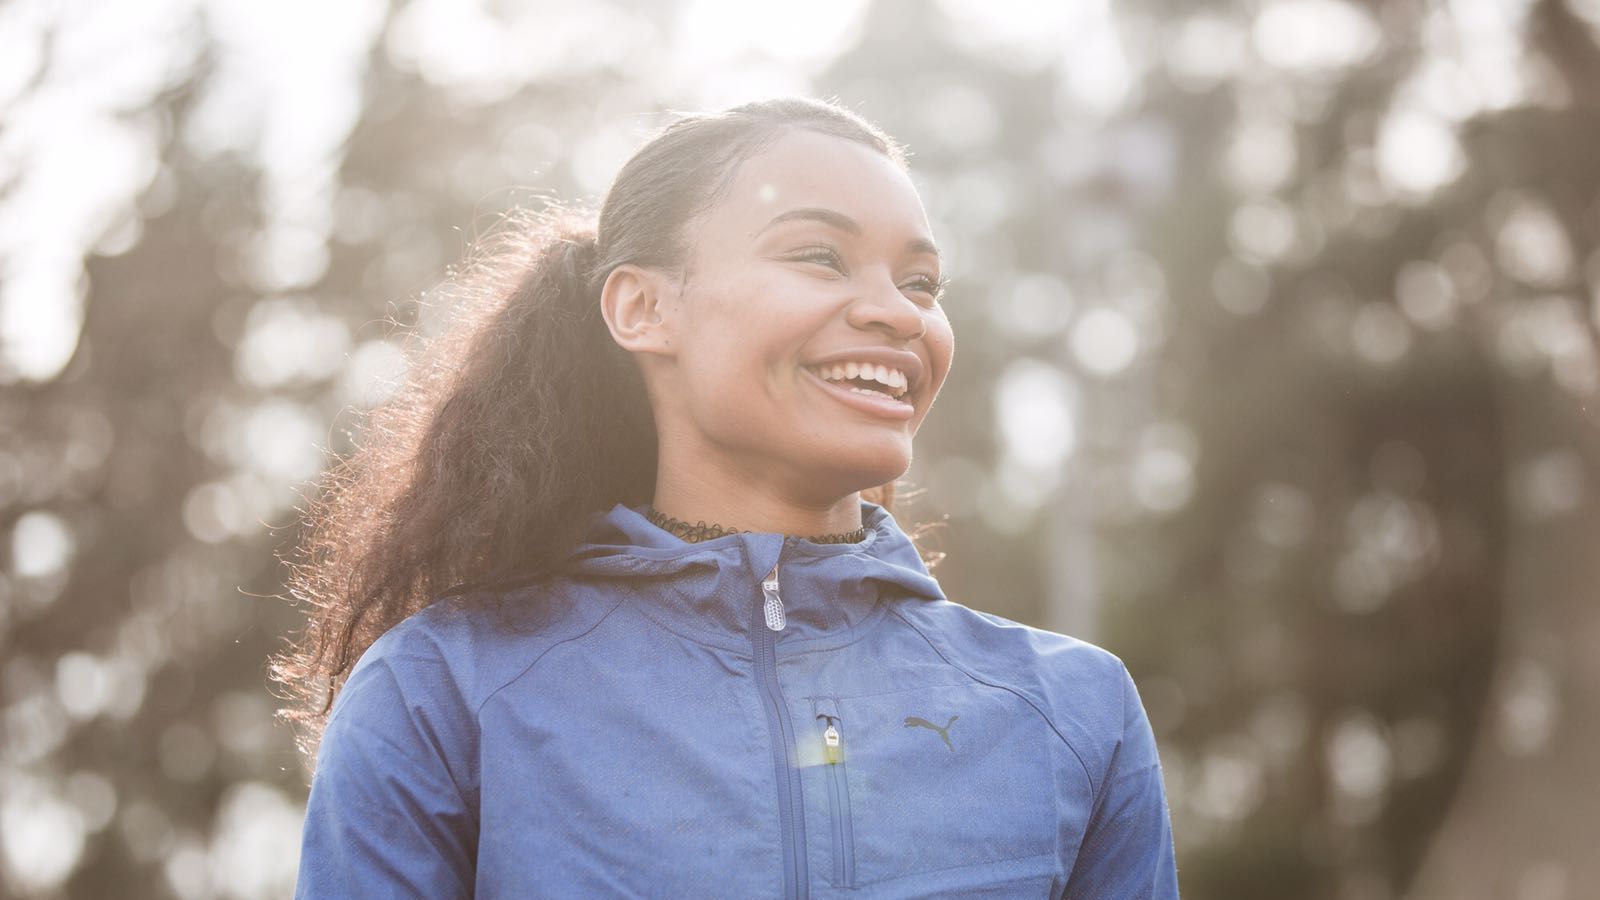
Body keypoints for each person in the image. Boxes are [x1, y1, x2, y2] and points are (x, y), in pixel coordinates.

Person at [280, 97, 1179, 899]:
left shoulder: (1075, 712)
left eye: (921, 282)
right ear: (643, 310)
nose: (901, 314)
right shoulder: (442, 692)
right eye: (820, 256)